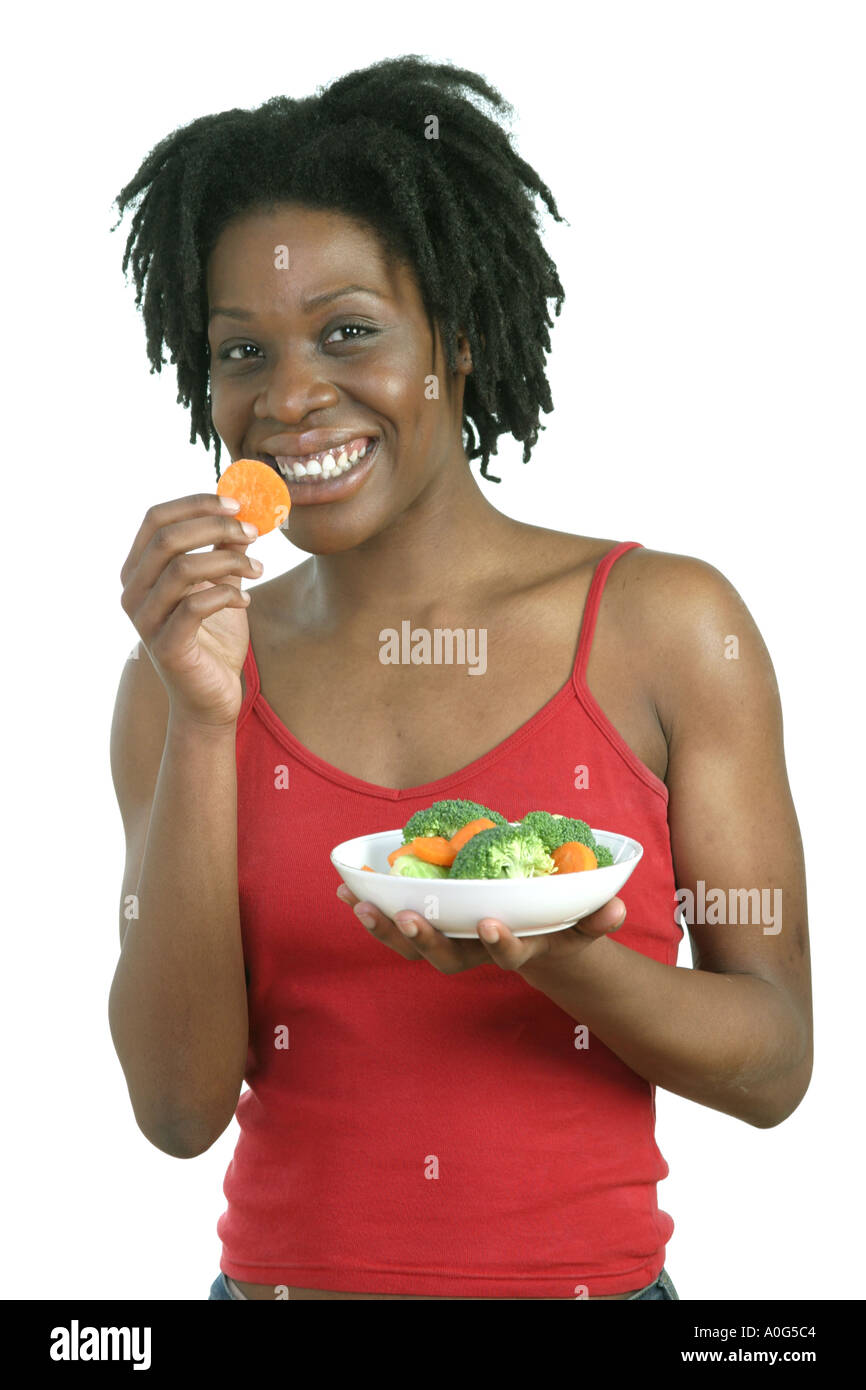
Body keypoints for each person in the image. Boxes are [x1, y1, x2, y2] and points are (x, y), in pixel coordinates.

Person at [108, 56, 812, 1302]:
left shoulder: (664, 626)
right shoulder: (181, 677)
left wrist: (552, 953)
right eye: (239, 351)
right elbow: (175, 1107)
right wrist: (208, 722)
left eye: (347, 331)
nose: (288, 398)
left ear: (463, 335)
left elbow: (771, 1064)